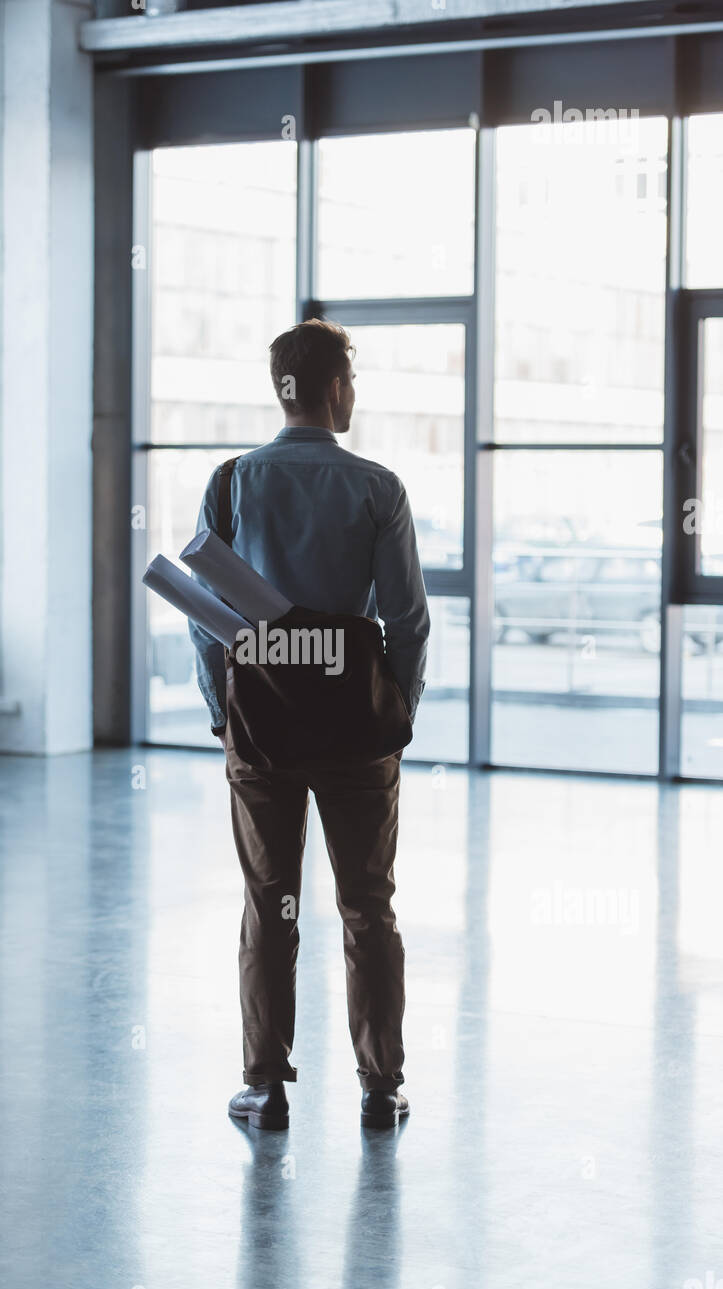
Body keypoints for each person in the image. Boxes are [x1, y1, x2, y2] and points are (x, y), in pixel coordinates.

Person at [189, 319, 430, 1130]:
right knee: (368, 904)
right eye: (350, 382)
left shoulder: (232, 482)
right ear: (332, 387)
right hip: (357, 724)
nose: (352, 396)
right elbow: (406, 621)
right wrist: (397, 712)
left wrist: (222, 713)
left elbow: (205, 619)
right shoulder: (377, 488)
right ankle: (380, 1085)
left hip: (261, 725)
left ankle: (264, 1086)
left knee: (270, 901)